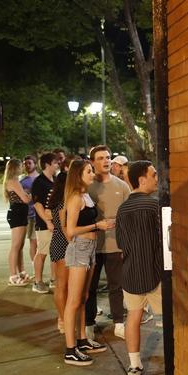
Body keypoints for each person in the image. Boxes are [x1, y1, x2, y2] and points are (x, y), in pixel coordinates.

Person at [116, 161, 163, 375]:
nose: (157, 178)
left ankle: (134, 365)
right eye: (153, 175)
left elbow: (121, 243)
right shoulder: (155, 206)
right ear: (142, 180)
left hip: (131, 273)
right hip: (156, 273)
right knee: (168, 319)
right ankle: (176, 357)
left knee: (133, 319)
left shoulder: (122, 209)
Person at [63, 159, 112, 366]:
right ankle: (70, 349)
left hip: (90, 249)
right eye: (89, 171)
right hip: (80, 249)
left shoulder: (86, 196)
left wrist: (102, 225)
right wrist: (97, 225)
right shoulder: (75, 198)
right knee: (73, 301)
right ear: (78, 175)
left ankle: (82, 340)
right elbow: (70, 231)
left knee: (84, 296)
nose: (93, 174)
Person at [85, 145, 130, 340]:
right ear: (93, 162)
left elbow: (129, 216)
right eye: (101, 158)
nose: (106, 161)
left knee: (116, 286)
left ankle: (119, 323)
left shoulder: (122, 186)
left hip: (116, 244)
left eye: (108, 157)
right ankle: (88, 323)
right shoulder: (86, 186)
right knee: (90, 287)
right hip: (92, 245)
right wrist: (97, 225)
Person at [31, 153, 59, 293]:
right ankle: (37, 282)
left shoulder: (54, 180)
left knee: (54, 253)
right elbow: (37, 204)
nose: (57, 164)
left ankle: (54, 280)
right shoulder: (39, 182)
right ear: (47, 164)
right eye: (55, 162)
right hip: (44, 224)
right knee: (42, 252)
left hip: (55, 223)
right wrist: (48, 222)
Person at [3, 159, 31, 286]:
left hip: (19, 213)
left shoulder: (14, 181)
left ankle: (21, 272)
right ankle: (13, 276)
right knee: (16, 246)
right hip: (17, 214)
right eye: (21, 166)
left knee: (19, 246)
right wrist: (30, 195)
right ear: (15, 168)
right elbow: (25, 199)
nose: (23, 167)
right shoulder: (13, 181)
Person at [48, 170, 69, 333]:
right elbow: (64, 228)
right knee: (62, 286)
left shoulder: (55, 200)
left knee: (60, 285)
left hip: (56, 242)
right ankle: (63, 320)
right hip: (64, 244)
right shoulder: (63, 202)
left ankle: (62, 318)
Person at [20, 155, 39, 279]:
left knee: (41, 244)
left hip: (40, 215)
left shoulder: (40, 179)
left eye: (29, 163)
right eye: (25, 163)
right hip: (30, 216)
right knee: (33, 243)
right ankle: (35, 270)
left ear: (35, 164)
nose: (27, 165)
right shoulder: (22, 181)